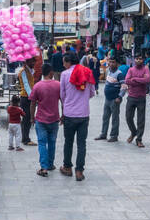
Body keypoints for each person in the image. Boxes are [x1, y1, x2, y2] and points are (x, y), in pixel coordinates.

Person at [59, 52, 97, 181]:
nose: (63, 64)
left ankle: (67, 167)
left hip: (69, 113)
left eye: (64, 62)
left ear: (69, 62)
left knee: (68, 142)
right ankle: (79, 171)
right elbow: (92, 93)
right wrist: (83, 99)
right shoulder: (87, 72)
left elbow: (62, 95)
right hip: (84, 114)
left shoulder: (64, 75)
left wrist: (66, 107)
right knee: (82, 144)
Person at [29, 64, 62, 176]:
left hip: (41, 119)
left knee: (42, 143)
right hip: (54, 119)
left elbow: (33, 103)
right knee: (52, 142)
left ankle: (44, 168)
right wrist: (63, 115)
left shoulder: (37, 86)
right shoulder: (58, 85)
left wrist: (31, 117)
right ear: (51, 73)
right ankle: (50, 164)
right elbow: (63, 101)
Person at [122, 52, 150, 147]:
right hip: (131, 97)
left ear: (143, 60)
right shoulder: (131, 69)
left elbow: (147, 80)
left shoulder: (146, 69)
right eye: (137, 59)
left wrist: (134, 79)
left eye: (140, 59)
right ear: (134, 60)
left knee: (141, 120)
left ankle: (139, 139)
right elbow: (127, 80)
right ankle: (133, 132)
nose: (138, 60)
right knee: (128, 117)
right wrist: (140, 80)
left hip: (141, 98)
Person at [97, 55, 126, 142]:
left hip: (115, 100)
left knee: (115, 118)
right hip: (107, 99)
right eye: (110, 61)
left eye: (113, 62)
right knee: (105, 117)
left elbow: (124, 87)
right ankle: (103, 134)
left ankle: (114, 136)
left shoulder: (119, 74)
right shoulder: (109, 71)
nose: (111, 63)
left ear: (117, 64)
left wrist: (119, 97)